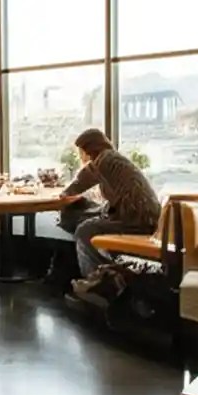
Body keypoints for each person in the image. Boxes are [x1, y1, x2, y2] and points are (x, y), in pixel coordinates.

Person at [59, 128, 161, 304]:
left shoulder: (105, 159)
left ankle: (99, 284)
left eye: (82, 151)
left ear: (90, 148)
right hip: (141, 216)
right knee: (86, 216)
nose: (80, 156)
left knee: (84, 230)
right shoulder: (115, 159)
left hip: (136, 220)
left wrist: (63, 193)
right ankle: (105, 272)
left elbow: (81, 181)